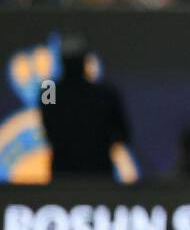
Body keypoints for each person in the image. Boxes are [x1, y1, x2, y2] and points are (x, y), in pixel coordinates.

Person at [39, 35, 134, 179]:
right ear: (84, 61)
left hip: (91, 173)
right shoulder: (103, 93)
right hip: (77, 173)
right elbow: (122, 134)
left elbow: (122, 134)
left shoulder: (104, 93)